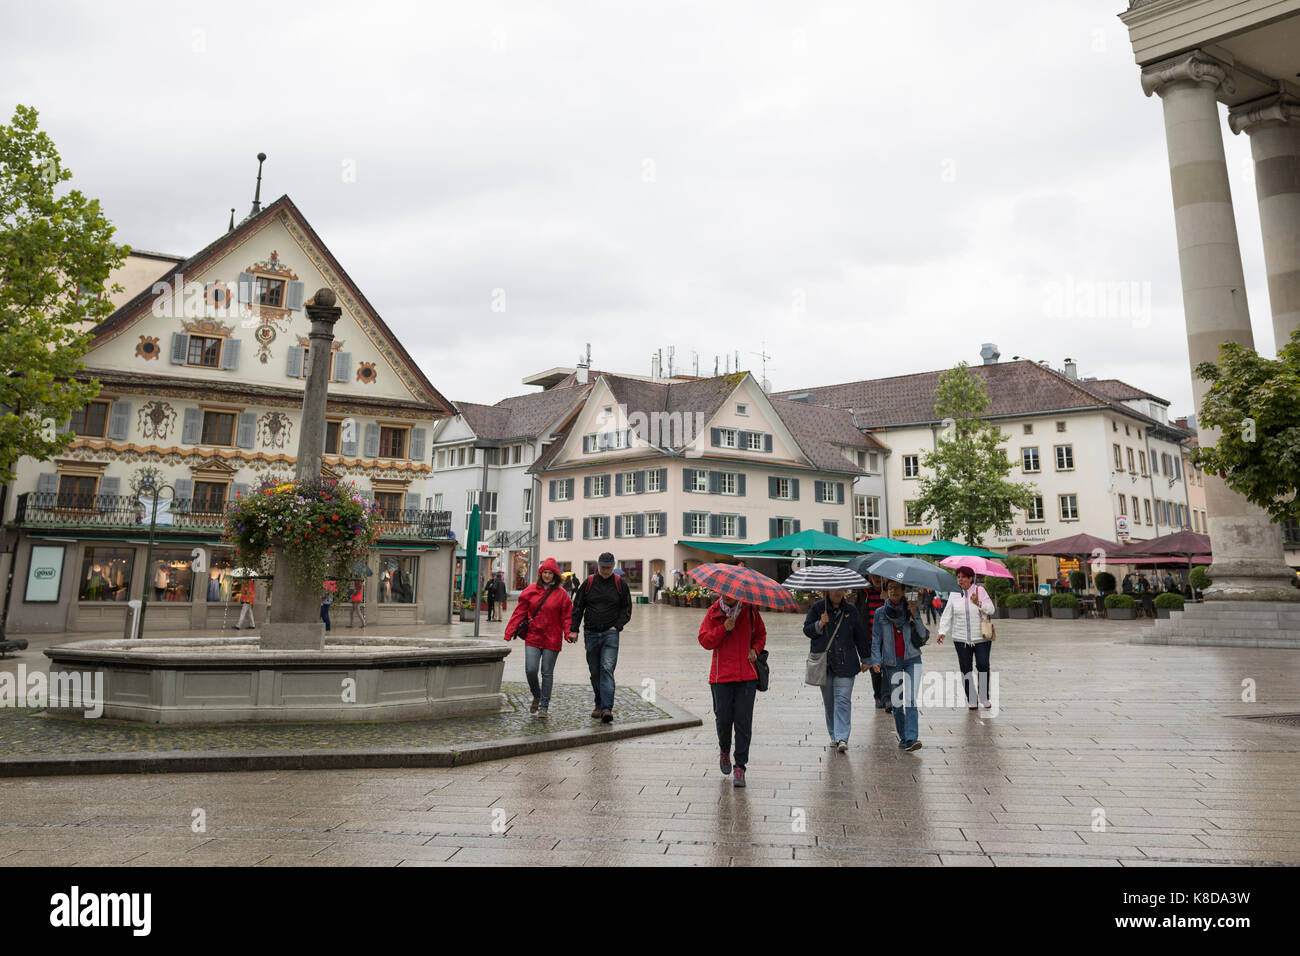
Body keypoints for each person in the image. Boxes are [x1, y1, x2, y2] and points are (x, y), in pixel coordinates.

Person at [698, 589, 767, 788]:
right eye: (724, 591)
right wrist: (724, 628)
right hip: (721, 677)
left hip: (747, 676)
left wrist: (755, 649)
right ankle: (724, 750)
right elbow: (704, 641)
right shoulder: (713, 613)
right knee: (724, 719)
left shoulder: (750, 612)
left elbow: (761, 634)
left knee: (743, 722)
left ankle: (740, 766)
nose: (727, 595)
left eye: (732, 591)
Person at [505, 557, 575, 719]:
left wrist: (568, 633)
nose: (547, 576)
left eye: (550, 573)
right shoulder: (530, 590)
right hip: (534, 636)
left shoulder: (562, 595)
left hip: (552, 637)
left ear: (555, 575)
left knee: (547, 673)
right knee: (530, 669)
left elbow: (566, 617)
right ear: (540, 574)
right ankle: (536, 694)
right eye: (545, 572)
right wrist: (510, 631)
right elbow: (519, 612)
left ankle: (544, 706)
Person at [804, 588, 870, 752]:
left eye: (841, 589)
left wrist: (866, 658)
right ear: (827, 591)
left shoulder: (851, 610)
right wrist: (820, 623)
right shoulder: (817, 608)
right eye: (834, 590)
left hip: (846, 663)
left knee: (843, 700)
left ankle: (842, 737)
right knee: (829, 702)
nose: (838, 592)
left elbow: (860, 635)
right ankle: (834, 735)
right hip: (825, 664)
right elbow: (807, 630)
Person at [570, 552, 632, 723]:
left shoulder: (620, 584)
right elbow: (578, 606)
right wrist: (573, 629)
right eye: (603, 567)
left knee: (606, 668)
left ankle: (606, 709)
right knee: (595, 672)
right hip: (591, 633)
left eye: (608, 567)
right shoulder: (588, 583)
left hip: (610, 634)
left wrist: (616, 626)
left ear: (613, 566)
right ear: (597, 566)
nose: (605, 570)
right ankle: (599, 703)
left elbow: (626, 609)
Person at [870, 580, 928, 752]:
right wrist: (875, 660)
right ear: (886, 591)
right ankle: (904, 738)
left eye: (896, 588)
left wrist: (915, 615)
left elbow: (923, 636)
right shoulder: (880, 613)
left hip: (912, 658)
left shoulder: (911, 608)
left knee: (910, 698)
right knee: (897, 702)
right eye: (890, 588)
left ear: (903, 590)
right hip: (891, 661)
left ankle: (912, 738)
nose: (893, 591)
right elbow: (876, 640)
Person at [937, 566, 996, 710]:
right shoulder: (954, 594)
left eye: (963, 577)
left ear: (971, 578)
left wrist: (978, 603)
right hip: (960, 638)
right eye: (958, 577)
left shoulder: (980, 591)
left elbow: (991, 609)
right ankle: (971, 699)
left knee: (983, 665)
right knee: (965, 669)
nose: (960, 579)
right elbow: (947, 613)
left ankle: (984, 696)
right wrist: (942, 631)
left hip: (981, 637)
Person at [856, 575, 890, 711]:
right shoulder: (864, 591)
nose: (877, 578)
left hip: (888, 638)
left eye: (879, 576)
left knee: (888, 668)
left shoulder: (890, 589)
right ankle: (878, 696)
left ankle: (887, 698)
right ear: (869, 576)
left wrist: (887, 600)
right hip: (870, 637)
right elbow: (858, 612)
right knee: (875, 670)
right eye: (873, 576)